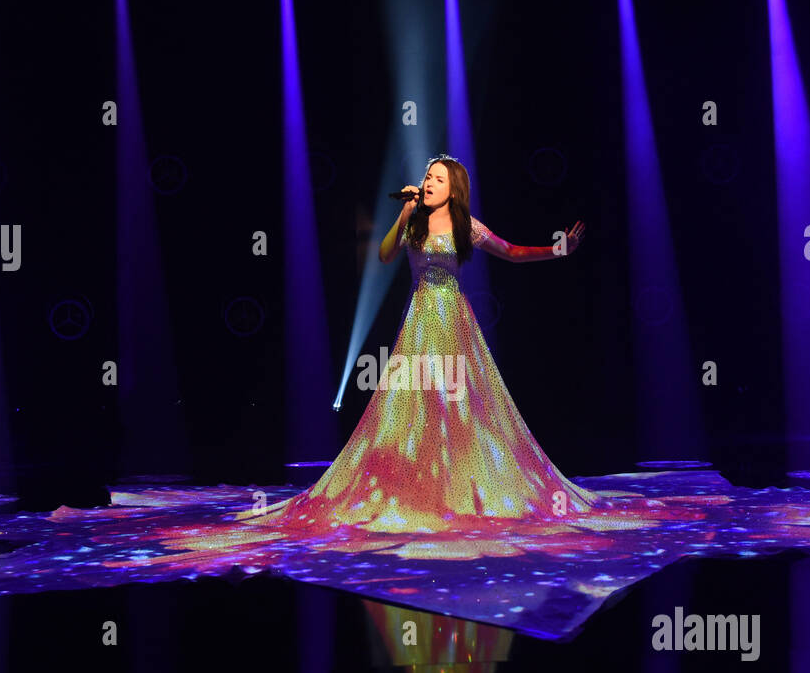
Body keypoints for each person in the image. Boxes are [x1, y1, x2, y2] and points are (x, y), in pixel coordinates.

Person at [249, 154, 597, 531]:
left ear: (453, 189)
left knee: (463, 409)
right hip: (419, 321)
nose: (429, 183)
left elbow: (510, 252)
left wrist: (557, 249)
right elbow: (384, 256)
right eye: (428, 177)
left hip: (456, 323)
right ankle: (415, 489)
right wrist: (405, 214)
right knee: (411, 408)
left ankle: (463, 489)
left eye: (438, 179)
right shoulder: (414, 221)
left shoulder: (466, 226)